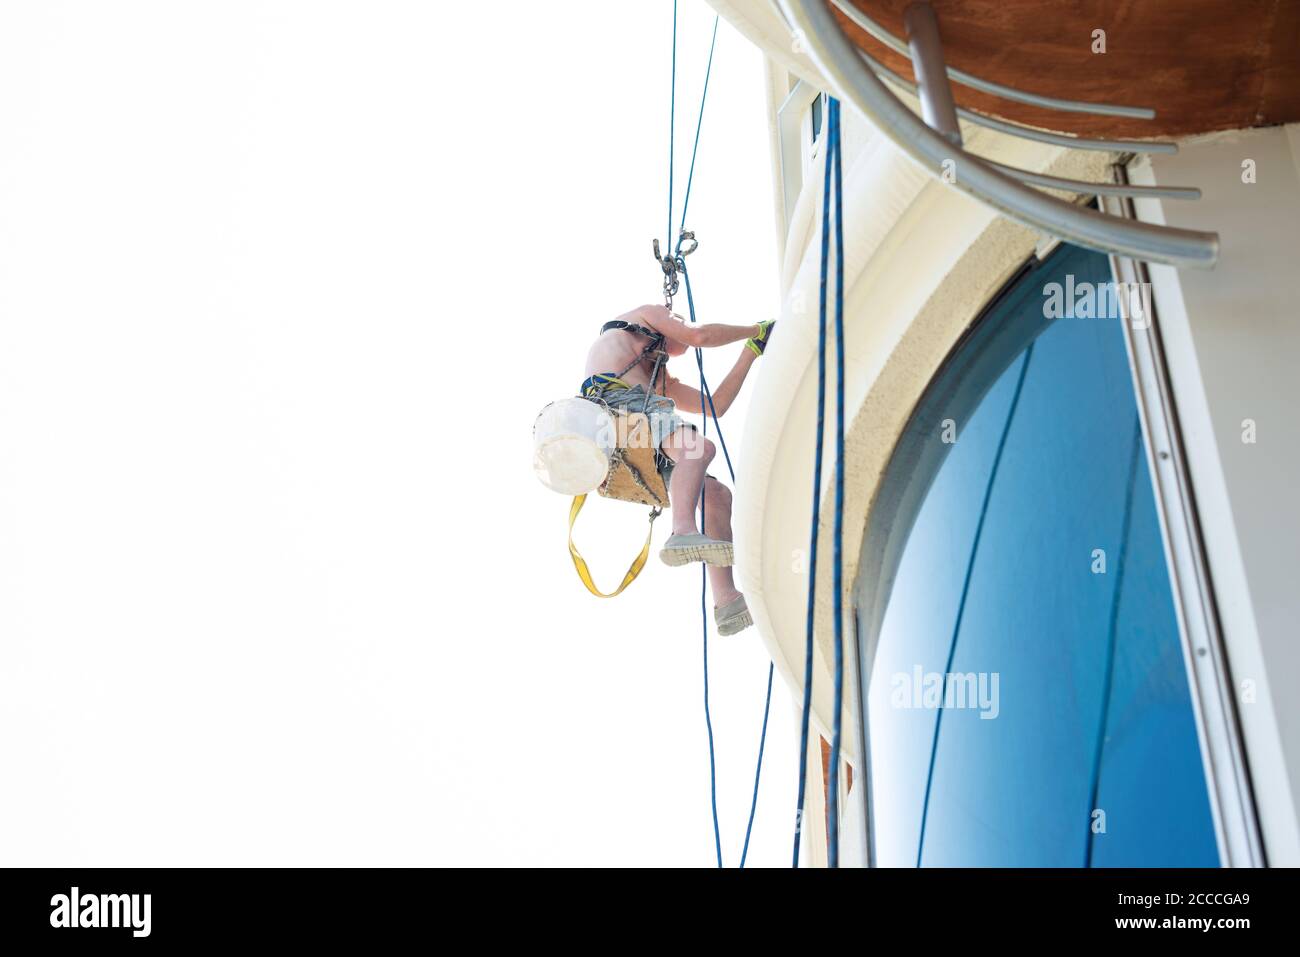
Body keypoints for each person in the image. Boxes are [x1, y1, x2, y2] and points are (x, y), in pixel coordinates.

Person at [580, 304, 774, 635]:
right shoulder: (642, 317)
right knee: (700, 449)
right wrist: (755, 330)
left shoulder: (655, 379)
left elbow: (715, 406)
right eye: (678, 321)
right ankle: (682, 531)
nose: (681, 326)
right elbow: (699, 335)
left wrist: (750, 352)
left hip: (625, 429)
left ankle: (726, 601)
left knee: (715, 495)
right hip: (616, 404)